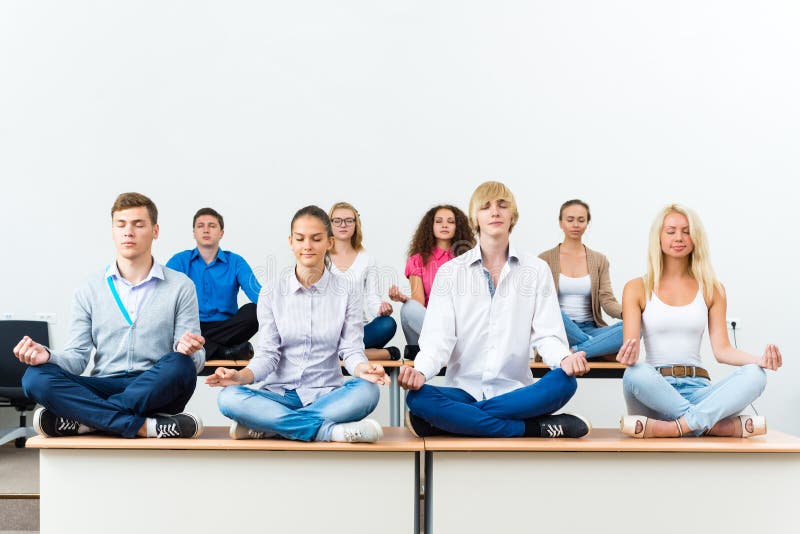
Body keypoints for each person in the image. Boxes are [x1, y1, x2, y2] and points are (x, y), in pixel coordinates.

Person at [397, 181, 591, 438]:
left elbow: (547, 335)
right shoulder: (451, 273)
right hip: (463, 389)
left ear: (513, 215)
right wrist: (420, 371)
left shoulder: (536, 270)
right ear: (475, 218)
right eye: (486, 207)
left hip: (516, 391)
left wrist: (565, 359)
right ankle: (531, 428)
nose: (495, 212)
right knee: (418, 398)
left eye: (502, 205)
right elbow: (438, 339)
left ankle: (459, 420)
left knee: (564, 382)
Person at [13, 192, 205, 439]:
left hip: (155, 386)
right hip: (103, 385)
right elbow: (76, 359)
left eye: (138, 224)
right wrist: (47, 356)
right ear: (113, 231)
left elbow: (196, 360)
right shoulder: (89, 288)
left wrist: (188, 350)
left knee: (180, 364)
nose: (128, 232)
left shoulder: (181, 286)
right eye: (121, 224)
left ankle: (87, 421)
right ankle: (144, 427)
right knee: (35, 377)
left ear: (155, 231)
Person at [207, 205, 391, 443]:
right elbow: (267, 355)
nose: (307, 246)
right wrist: (240, 377)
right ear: (291, 242)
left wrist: (362, 368)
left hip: (327, 395)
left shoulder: (348, 291)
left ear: (330, 243)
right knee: (228, 397)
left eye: (316, 239)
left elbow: (351, 350)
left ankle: (270, 426)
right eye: (300, 238)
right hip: (277, 395)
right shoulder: (272, 292)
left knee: (368, 391)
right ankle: (329, 431)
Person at [617, 204, 781, 438]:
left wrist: (760, 360)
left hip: (699, 390)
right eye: (671, 231)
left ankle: (678, 427)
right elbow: (630, 350)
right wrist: (628, 356)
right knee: (635, 374)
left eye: (686, 231)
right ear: (659, 238)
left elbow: (722, 350)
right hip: (656, 392)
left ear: (696, 238)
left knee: (755, 375)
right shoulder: (636, 288)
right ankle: (711, 426)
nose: (679, 237)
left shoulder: (713, 288)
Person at [167, 207, 262, 360]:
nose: (206, 230)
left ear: (221, 233)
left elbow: (259, 295)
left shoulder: (236, 261)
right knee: (170, 322)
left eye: (211, 226)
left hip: (227, 328)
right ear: (194, 233)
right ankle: (225, 352)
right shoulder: (179, 261)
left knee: (256, 310)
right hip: (191, 327)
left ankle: (208, 348)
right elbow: (162, 297)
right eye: (200, 226)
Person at [539, 199, 623, 359]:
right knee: (552, 310)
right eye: (570, 220)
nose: (575, 225)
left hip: (591, 328)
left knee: (635, 327)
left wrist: (628, 313)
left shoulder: (599, 260)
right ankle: (597, 348)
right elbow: (542, 306)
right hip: (561, 327)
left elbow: (607, 300)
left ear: (587, 223)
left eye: (581, 220)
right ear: (560, 223)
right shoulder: (544, 260)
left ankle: (576, 350)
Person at [388, 204, 474, 347]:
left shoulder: (468, 259)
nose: (444, 225)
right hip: (427, 327)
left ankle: (451, 349)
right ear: (431, 226)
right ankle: (449, 350)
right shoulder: (417, 260)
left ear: (458, 227)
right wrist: (404, 299)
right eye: (439, 221)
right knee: (409, 308)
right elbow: (418, 302)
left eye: (450, 222)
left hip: (457, 327)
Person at [327, 202, 399, 360]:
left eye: (348, 220)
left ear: (355, 224)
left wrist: (381, 309)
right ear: (330, 224)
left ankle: (339, 353)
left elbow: (372, 298)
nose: (343, 225)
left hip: (358, 331)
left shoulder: (367, 259)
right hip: (327, 331)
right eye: (337, 220)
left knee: (387, 324)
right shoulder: (321, 258)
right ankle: (381, 354)